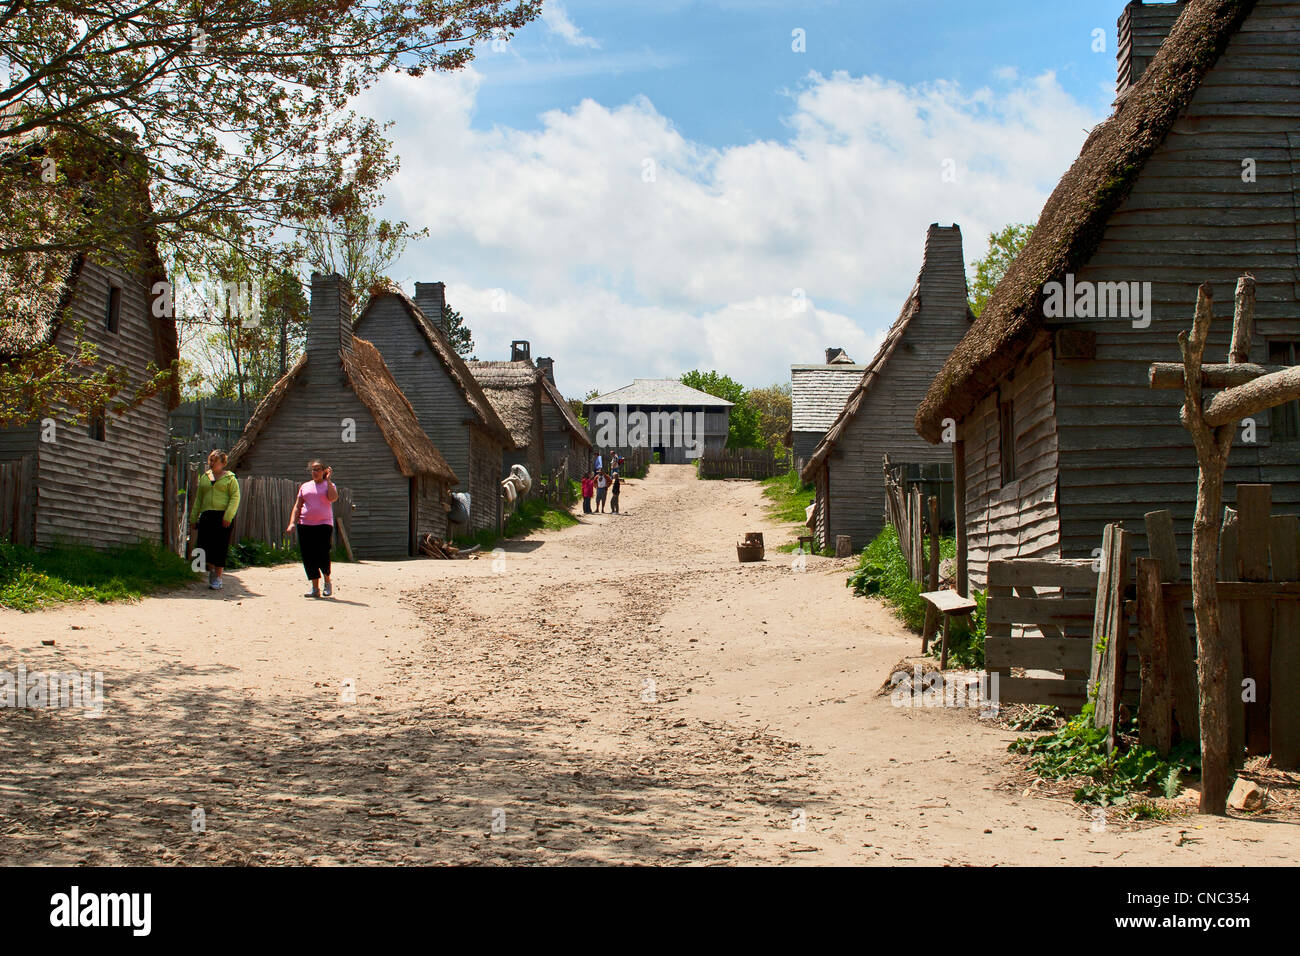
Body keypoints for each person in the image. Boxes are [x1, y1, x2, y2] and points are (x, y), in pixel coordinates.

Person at [189, 449, 240, 590]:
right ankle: (210, 570)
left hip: (222, 516)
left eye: (214, 461)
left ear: (223, 463)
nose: (211, 463)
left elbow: (235, 497)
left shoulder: (230, 479)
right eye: (210, 460)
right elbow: (199, 498)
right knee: (204, 545)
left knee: (220, 546)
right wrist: (193, 517)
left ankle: (218, 577)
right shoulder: (205, 477)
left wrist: (228, 515)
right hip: (207, 516)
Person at [286, 460, 339, 598]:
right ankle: (315, 588)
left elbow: (333, 498)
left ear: (324, 471)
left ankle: (327, 581)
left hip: (323, 524)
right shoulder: (305, 486)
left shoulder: (329, 485)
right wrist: (292, 522)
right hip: (305, 524)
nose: (315, 472)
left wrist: (328, 480)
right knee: (308, 556)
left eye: (318, 469)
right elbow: (298, 506)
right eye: (313, 469)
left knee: (322, 553)